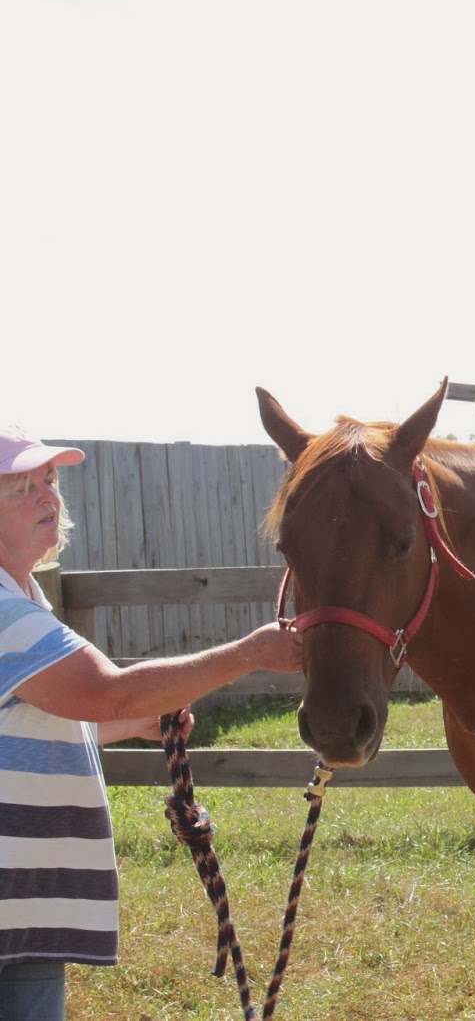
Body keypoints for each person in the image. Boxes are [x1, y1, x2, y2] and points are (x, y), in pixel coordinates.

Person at [0, 426, 303, 1020]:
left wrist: (134, 723)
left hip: (25, 907)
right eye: (20, 488)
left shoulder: (26, 600)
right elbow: (105, 692)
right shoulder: (5, 612)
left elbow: (50, 722)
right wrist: (249, 653)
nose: (47, 498)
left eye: (50, 481)